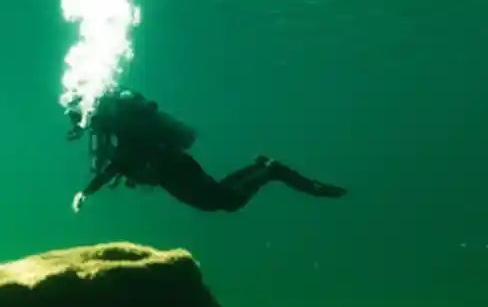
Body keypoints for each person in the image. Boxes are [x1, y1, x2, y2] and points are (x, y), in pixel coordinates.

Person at [66, 88, 346, 213]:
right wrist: (88, 191)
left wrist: (85, 192)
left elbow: (109, 170)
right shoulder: (129, 138)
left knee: (225, 201)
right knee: (220, 195)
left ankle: (271, 170)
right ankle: (264, 167)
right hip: (178, 167)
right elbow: (112, 168)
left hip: (176, 170)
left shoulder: (127, 141)